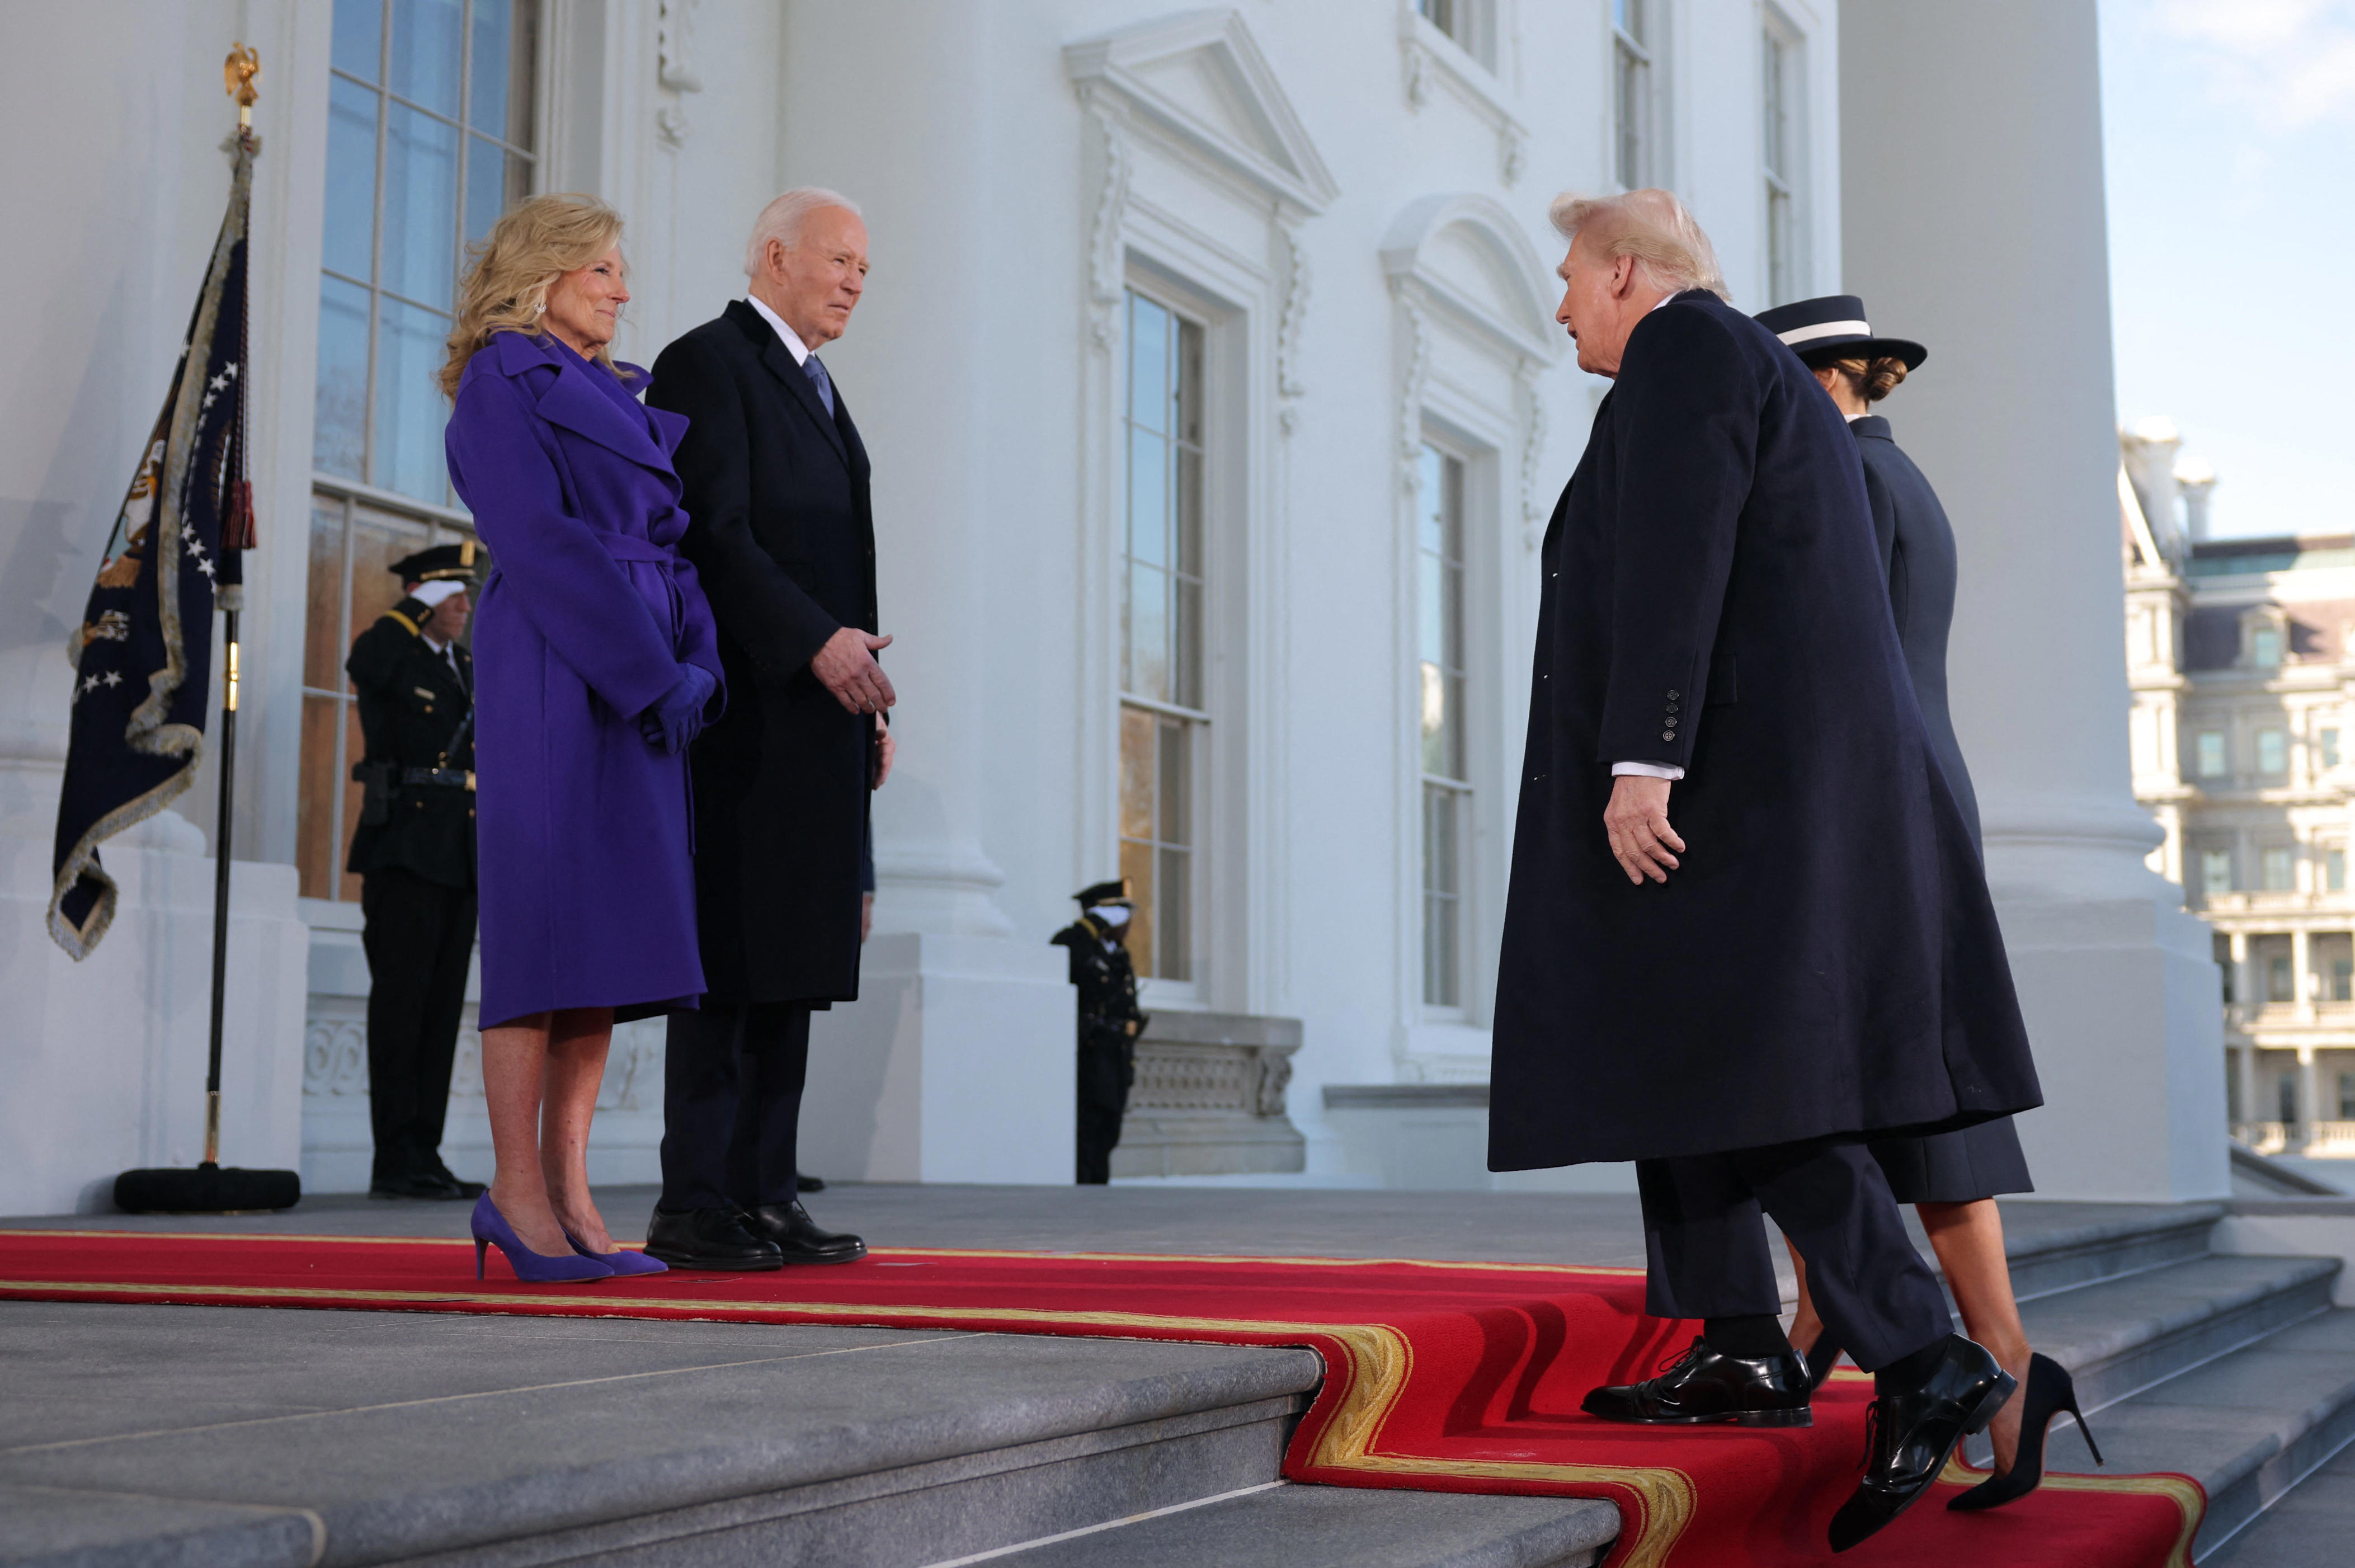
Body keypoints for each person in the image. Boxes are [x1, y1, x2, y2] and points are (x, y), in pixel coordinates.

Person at [1486, 188, 2045, 1553]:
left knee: (1744, 1069)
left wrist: (1644, 758)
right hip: (1748, 791)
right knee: (1681, 1057)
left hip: (1721, 796)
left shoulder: (1687, 347)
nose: (1556, 302)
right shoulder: (1723, 365)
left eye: (1567, 277)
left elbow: (1682, 555)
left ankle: (1922, 1354)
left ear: (1627, 274)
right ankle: (1742, 1336)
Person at [1754, 293, 2100, 1509]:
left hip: (1864, 791)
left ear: (1820, 381)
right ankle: (1942, 1344)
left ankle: (1982, 1352)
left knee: (1866, 1064)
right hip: (1909, 776)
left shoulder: (1836, 484)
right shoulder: (1898, 477)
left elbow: (1813, 663)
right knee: (1886, 1068)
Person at [440, 192, 722, 1284]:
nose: (622, 289)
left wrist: (701, 664)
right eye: (602, 269)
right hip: (561, 669)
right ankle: (514, 1194)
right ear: (544, 272)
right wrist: (651, 672)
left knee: (598, 941)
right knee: (539, 931)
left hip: (642, 673)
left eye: (620, 270)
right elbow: (542, 544)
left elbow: (676, 547)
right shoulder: (501, 383)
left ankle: (568, 1188)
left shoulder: (617, 394)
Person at [640, 187, 891, 1270]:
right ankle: (695, 1200)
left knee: (793, 964)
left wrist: (868, 696)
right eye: (839, 260)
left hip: (822, 717)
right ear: (776, 256)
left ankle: (765, 1193)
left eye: (864, 270)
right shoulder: (707, 360)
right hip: (745, 716)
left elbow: (838, 559)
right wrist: (811, 645)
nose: (853, 281)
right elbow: (714, 537)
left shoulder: (821, 388)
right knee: (731, 961)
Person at [346, 543, 483, 1203]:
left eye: (465, 594)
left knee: (441, 1009)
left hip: (458, 853)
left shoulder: (461, 666)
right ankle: (393, 1157)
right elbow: (364, 666)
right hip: (404, 848)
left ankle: (424, 1150)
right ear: (421, 597)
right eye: (449, 594)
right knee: (402, 1007)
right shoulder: (389, 647)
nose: (464, 605)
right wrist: (410, 606)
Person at [1052, 880, 1150, 1184]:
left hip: (1116, 1056)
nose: (1128, 925)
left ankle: (1098, 1194)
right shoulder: (1077, 942)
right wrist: (1090, 924)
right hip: (1091, 1055)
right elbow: (1065, 955)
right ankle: (1085, 1196)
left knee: (1108, 1133)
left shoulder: (1118, 954)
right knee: (1088, 1135)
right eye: (1122, 916)